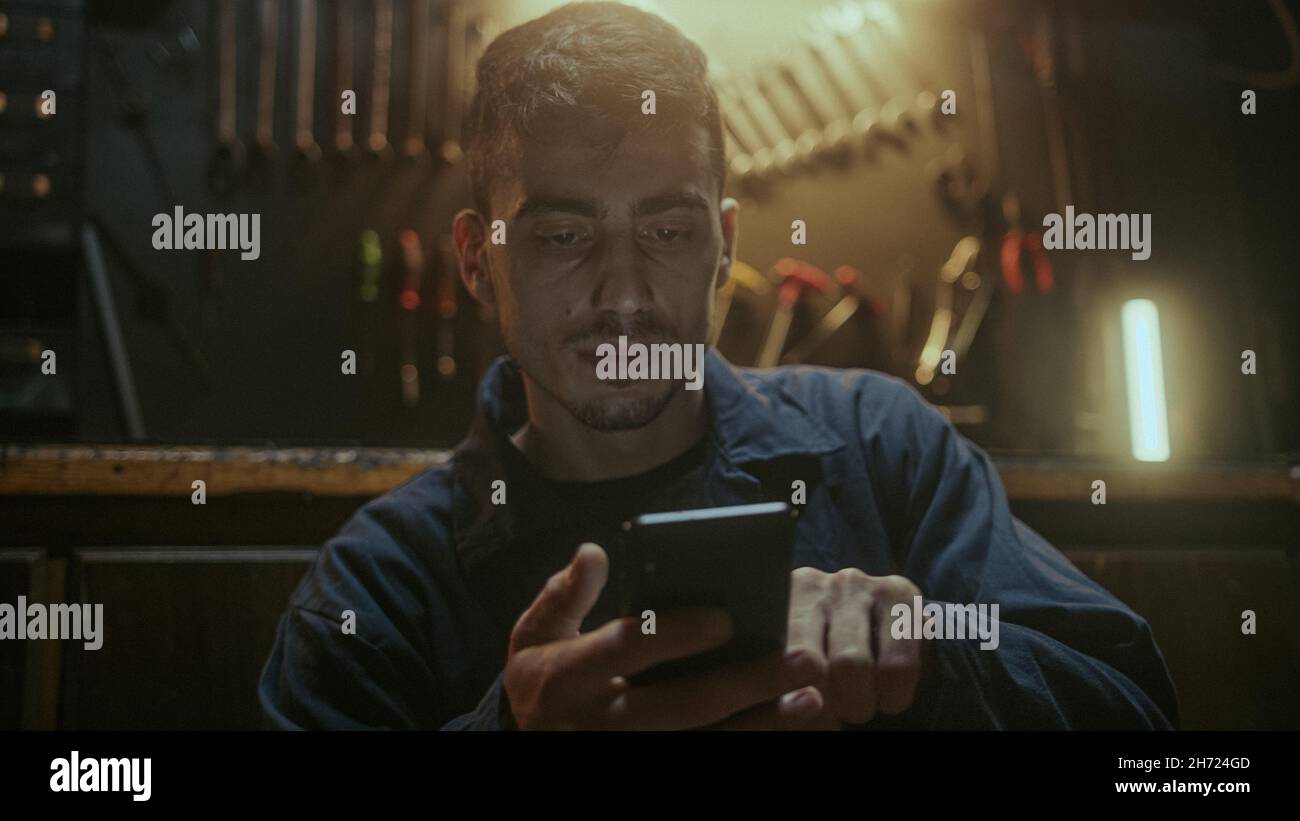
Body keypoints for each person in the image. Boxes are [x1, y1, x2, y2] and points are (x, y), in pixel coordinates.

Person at [259, 2, 1178, 730]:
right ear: (476, 259)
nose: (623, 292)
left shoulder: (884, 449)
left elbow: (1151, 740)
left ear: (723, 241)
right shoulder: (375, 588)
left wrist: (936, 661)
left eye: (666, 230)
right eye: (563, 236)